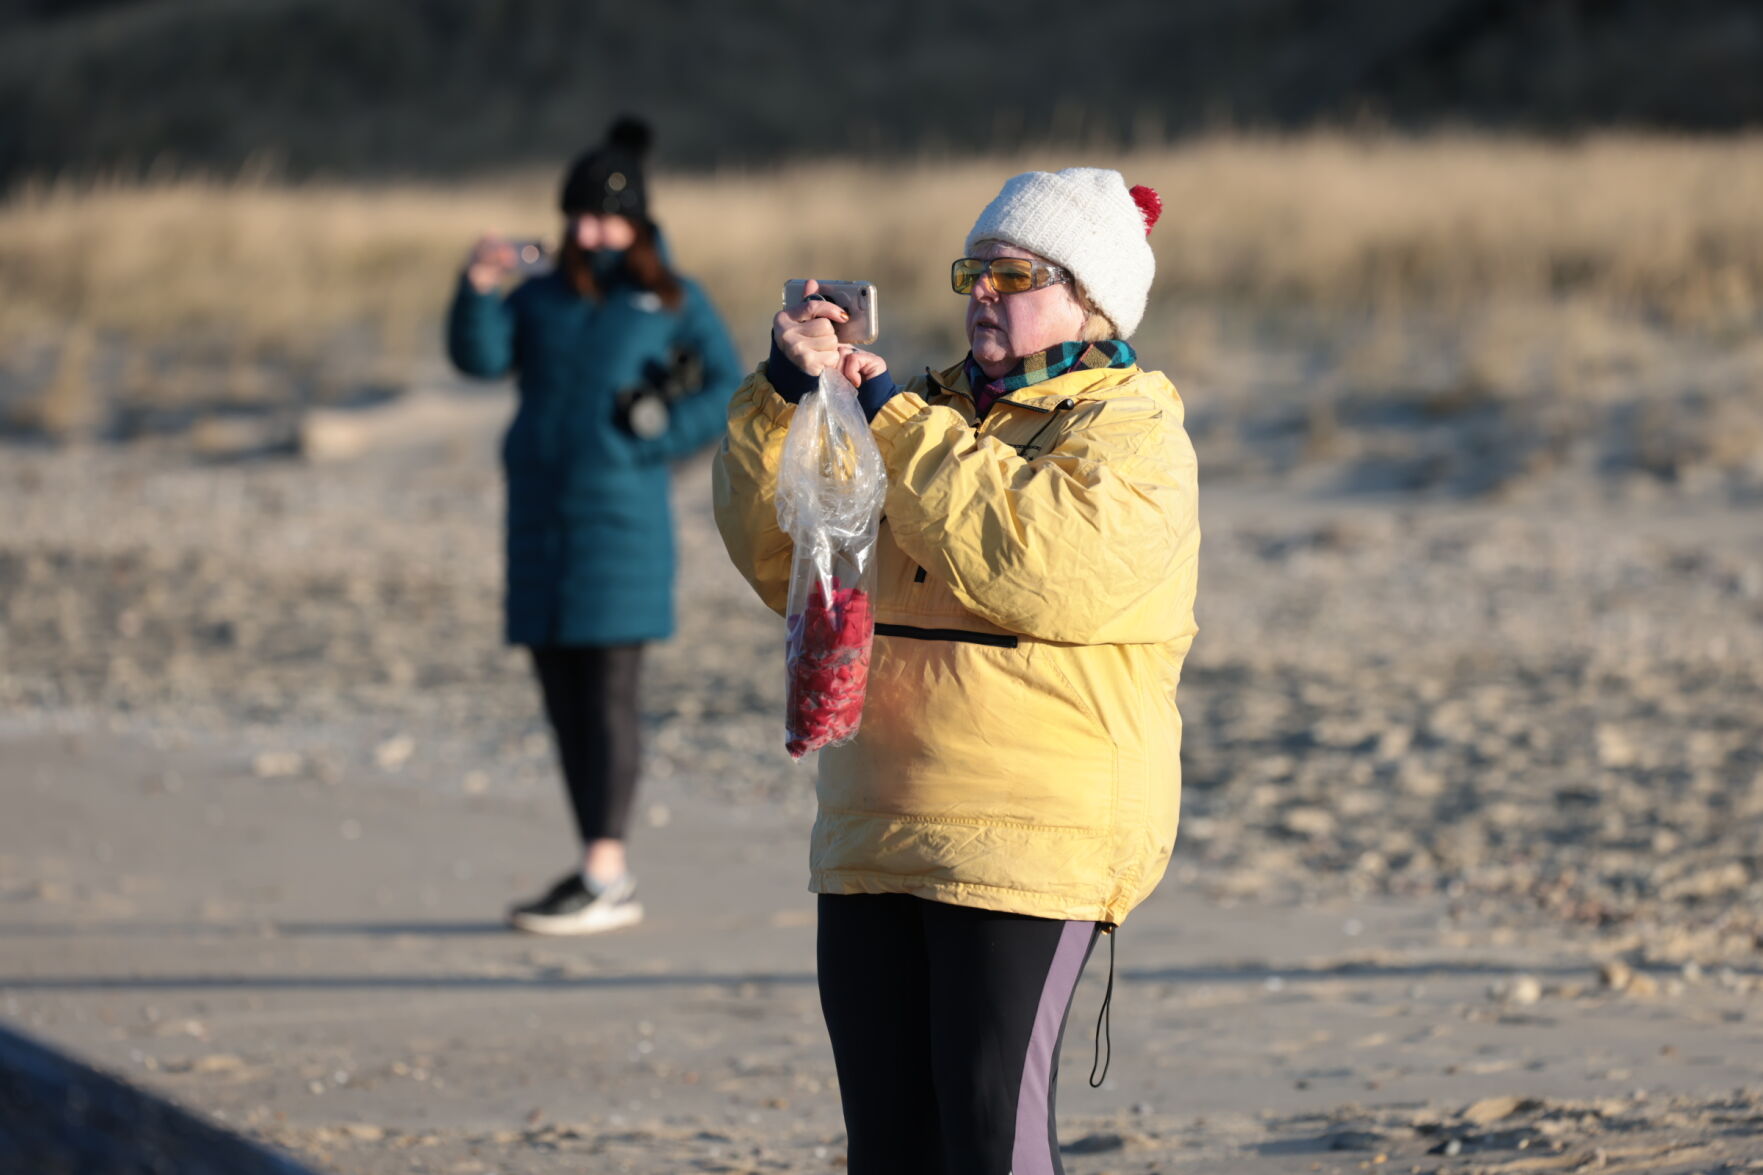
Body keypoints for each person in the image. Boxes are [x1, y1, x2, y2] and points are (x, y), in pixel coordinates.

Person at [713, 166, 1200, 1172]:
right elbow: (781, 559)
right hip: (873, 817)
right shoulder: (905, 407)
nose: (980, 291)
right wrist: (784, 400)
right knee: (889, 1144)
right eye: (973, 270)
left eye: (1011, 273)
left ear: (1088, 297)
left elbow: (1038, 564)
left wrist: (889, 418)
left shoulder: (1134, 430)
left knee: (989, 1135)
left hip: (1031, 830)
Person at [448, 117, 741, 936]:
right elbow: (478, 356)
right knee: (562, 699)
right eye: (577, 216)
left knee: (611, 696)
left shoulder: (674, 298)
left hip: (623, 523)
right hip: (539, 521)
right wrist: (476, 285)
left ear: (638, 220)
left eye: (606, 217)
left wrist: (653, 434)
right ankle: (592, 864)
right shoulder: (542, 294)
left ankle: (607, 873)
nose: (589, 231)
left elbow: (724, 387)